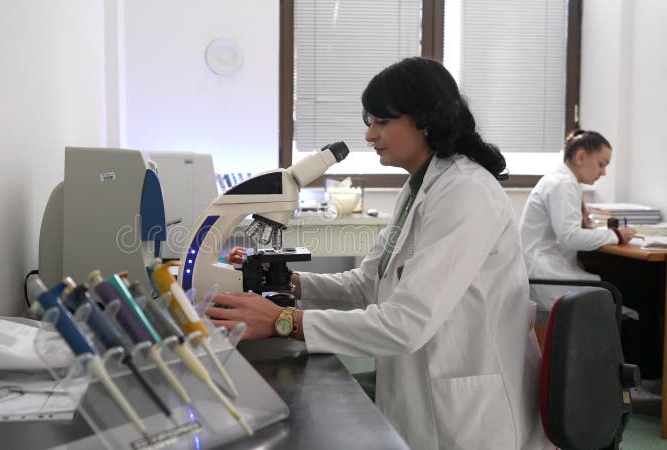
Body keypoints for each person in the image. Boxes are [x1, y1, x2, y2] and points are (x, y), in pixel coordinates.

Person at [208, 57, 550, 450]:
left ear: (425, 119)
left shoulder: (466, 192)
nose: (370, 135)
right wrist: (292, 282)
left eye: (381, 122)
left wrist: (285, 321)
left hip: (471, 409)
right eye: (368, 122)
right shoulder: (420, 186)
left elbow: (406, 323)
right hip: (423, 393)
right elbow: (370, 282)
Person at [519, 130, 661, 392]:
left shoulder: (560, 180)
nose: (604, 172)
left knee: (636, 290)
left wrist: (590, 225)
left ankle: (642, 374)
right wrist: (616, 234)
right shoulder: (563, 184)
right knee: (640, 294)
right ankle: (644, 378)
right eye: (602, 163)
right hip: (547, 276)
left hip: (547, 269)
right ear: (581, 155)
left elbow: (567, 231)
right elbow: (570, 237)